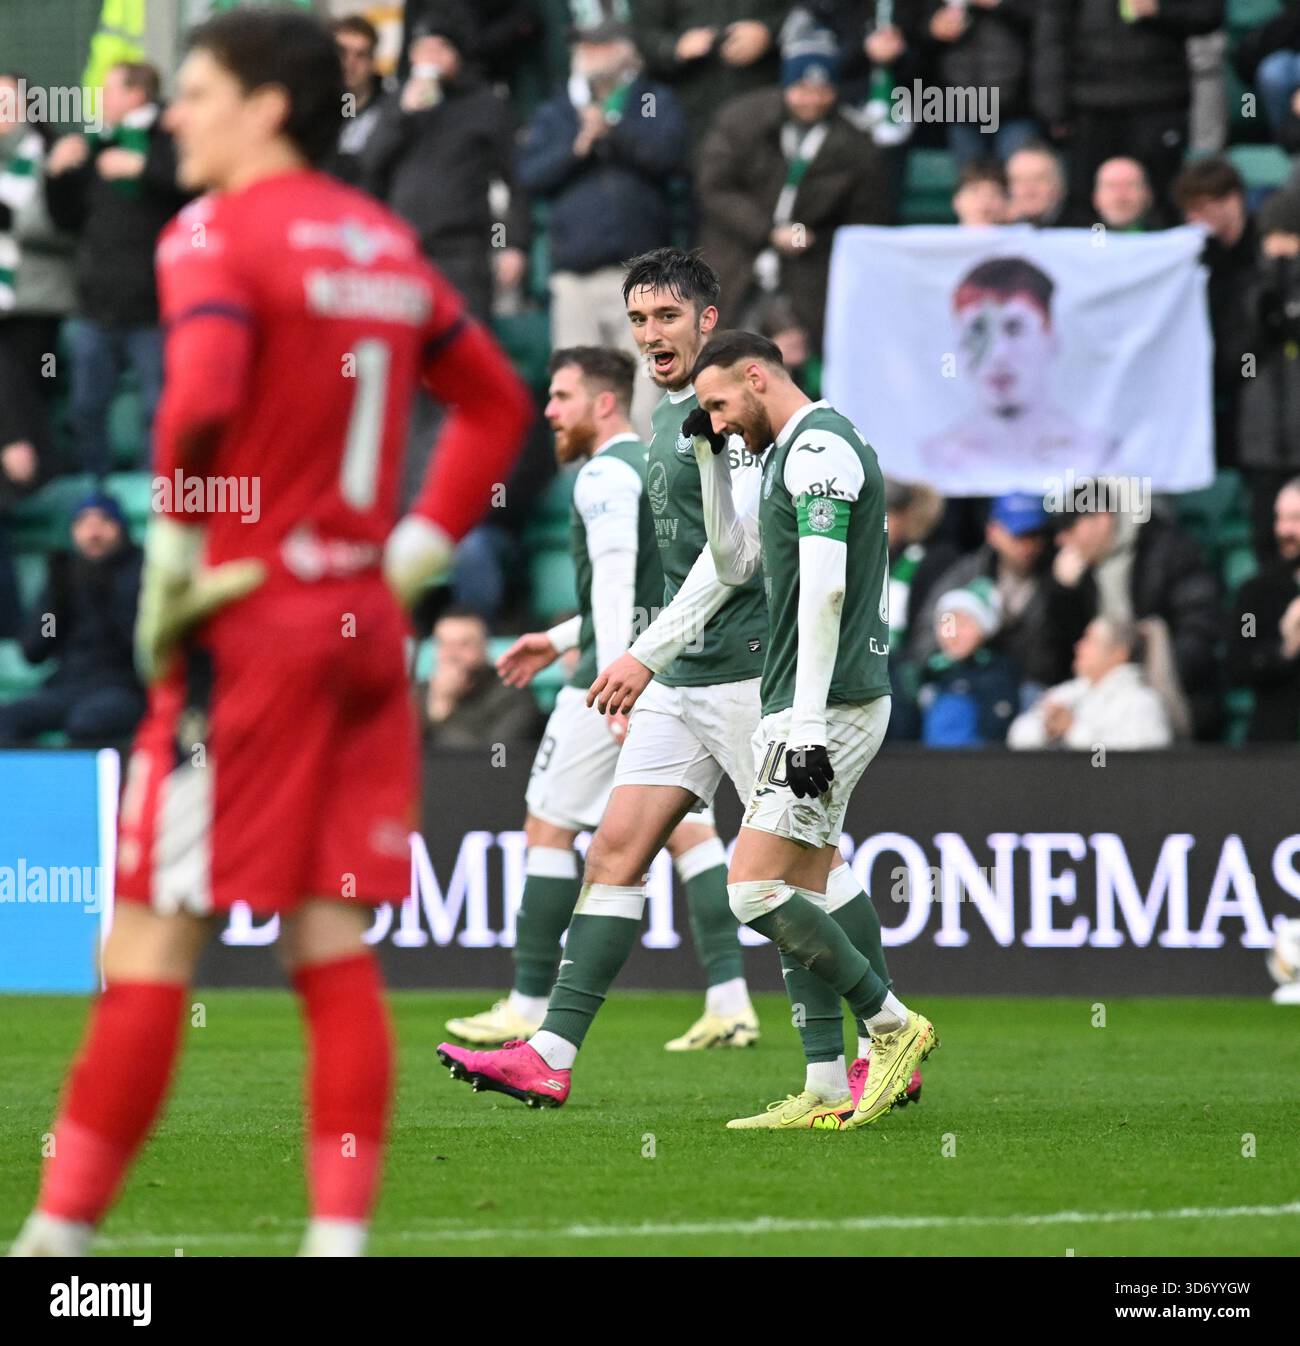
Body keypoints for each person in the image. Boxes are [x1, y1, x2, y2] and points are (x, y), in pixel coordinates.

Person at [10, 8, 530, 1260]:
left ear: (266, 106)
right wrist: (410, 554)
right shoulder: (387, 243)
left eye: (196, 92)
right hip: (359, 631)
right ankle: (337, 1243)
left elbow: (195, 402)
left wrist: (178, 553)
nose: (175, 114)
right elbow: (497, 402)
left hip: (245, 631)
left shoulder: (211, 233)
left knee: (145, 930)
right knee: (331, 936)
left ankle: (57, 1244)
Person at [437, 249, 919, 1127]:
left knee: (792, 875)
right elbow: (714, 557)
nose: (652, 335)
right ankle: (550, 1053)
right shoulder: (684, 420)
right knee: (616, 845)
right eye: (639, 321)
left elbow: (751, 570)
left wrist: (645, 650)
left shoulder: (752, 418)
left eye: (667, 318)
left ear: (710, 322)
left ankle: (852, 1057)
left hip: (750, 670)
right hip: (679, 673)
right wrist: (612, 646)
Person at [445, 346, 757, 1052]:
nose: (549, 412)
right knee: (684, 830)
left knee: (550, 826)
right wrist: (557, 639)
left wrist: (616, 686)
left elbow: (619, 588)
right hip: (655, 667)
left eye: (560, 397)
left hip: (614, 682)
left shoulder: (602, 479)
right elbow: (645, 589)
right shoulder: (645, 469)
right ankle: (731, 999)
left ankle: (528, 1004)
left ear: (604, 402)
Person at [677, 328, 937, 1129]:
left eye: (719, 406)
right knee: (806, 884)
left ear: (758, 377)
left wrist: (810, 726)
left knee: (753, 889)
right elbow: (734, 564)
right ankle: (826, 1082)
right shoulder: (786, 451)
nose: (718, 422)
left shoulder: (821, 449)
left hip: (828, 704)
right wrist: (709, 464)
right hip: (799, 700)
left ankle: (892, 1026)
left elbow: (824, 594)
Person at [515, 19, 686, 431]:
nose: (591, 54)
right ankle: (583, 489)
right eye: (585, 46)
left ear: (625, 49)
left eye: (602, 45)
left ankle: (647, 488)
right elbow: (530, 175)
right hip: (575, 275)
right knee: (579, 395)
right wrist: (578, 147)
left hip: (642, 276)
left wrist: (613, 134)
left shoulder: (650, 100)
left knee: (647, 396)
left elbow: (668, 156)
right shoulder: (558, 110)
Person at [694, 23, 887, 355]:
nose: (812, 99)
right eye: (802, 88)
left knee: (792, 362)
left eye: (822, 89)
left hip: (806, 275)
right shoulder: (743, 119)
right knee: (720, 356)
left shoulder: (855, 144)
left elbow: (866, 220)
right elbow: (714, 188)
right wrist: (768, 231)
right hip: (735, 261)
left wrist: (811, 238)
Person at [44, 61, 189, 477]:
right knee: (86, 407)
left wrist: (142, 168)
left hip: (155, 307)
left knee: (156, 410)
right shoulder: (95, 146)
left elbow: (193, 187)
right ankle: (96, 499)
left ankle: (154, 495)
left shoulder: (170, 139)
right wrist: (58, 175)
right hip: (95, 307)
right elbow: (66, 219)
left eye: (110, 91)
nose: (101, 101)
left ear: (137, 95)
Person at [362, 13, 527, 322]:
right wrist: (403, 115)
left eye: (440, 49)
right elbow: (370, 164)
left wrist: (511, 245)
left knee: (466, 343)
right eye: (422, 50)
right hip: (403, 250)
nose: (430, 59)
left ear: (458, 55)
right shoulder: (396, 103)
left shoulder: (486, 104)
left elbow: (515, 179)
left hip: (463, 253)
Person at [918, 256, 1121, 491]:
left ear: (1050, 335)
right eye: (978, 332)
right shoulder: (932, 463)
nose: (997, 354)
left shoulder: (1100, 456)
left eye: (1014, 328)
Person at [1048, 495, 1221, 740]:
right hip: (1100, 689)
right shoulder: (1076, 570)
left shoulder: (1166, 549)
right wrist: (1063, 593)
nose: (1061, 540)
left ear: (1102, 519)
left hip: (1167, 688)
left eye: (1069, 528)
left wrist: (1160, 672)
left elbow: (1200, 626)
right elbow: (1059, 653)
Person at [1032, 0, 1224, 216]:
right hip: (1090, 105)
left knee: (1161, 205)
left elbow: (1210, 14)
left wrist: (1160, 9)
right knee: (1088, 211)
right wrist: (1052, 109)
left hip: (1158, 102)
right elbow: (1052, 33)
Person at [0, 492, 144, 747]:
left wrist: (109, 596)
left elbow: (142, 646)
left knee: (88, 723)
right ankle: (34, 782)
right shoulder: (65, 576)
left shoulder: (139, 571)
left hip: (120, 685)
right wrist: (52, 607)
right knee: (7, 720)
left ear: (120, 529)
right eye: (84, 524)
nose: (93, 532)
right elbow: (34, 649)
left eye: (103, 523)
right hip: (67, 684)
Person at [910, 492, 1074, 688]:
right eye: (1018, 535)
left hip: (1031, 688)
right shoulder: (968, 573)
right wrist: (952, 649)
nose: (1028, 545)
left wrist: (1062, 592)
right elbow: (931, 628)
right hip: (964, 681)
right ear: (993, 532)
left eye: (1035, 535)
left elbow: (1057, 656)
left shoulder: (1057, 578)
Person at [0, 71, 74, 472]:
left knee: (30, 388)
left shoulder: (53, 155)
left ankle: (33, 467)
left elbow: (70, 229)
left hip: (38, 302)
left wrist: (12, 221)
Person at [1175, 156, 1255, 470]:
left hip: (1256, 373)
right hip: (1211, 376)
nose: (1195, 219)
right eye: (1190, 211)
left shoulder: (1266, 246)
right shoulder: (1193, 255)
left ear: (1233, 201)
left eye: (1202, 208)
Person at [1238, 187, 1300, 560]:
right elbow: (1239, 354)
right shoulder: (1250, 285)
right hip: (1263, 444)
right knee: (1270, 543)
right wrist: (1272, 287)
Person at [631, 1, 787, 146]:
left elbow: (802, 13)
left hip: (763, 98)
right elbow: (642, 33)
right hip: (692, 106)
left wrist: (768, 32)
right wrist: (675, 47)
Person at [1008, 616, 1172, 750]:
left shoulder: (1141, 703)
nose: (1078, 647)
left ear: (1119, 653)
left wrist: (1072, 730)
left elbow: (1133, 766)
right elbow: (1016, 739)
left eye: (1090, 640)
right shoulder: (1067, 693)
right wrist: (1045, 729)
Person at [1226, 476, 1300, 742]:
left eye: (1295, 519)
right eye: (1280, 519)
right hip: (1276, 745)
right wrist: (1286, 647)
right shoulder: (1256, 594)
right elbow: (1239, 664)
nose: (1284, 530)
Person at [922, 0, 1038, 168]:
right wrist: (932, 28)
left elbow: (1047, 22)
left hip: (1017, 108)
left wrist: (1000, 4)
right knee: (971, 183)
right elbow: (916, 28)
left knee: (1018, 181)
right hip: (961, 108)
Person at [917, 579, 1019, 747]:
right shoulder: (927, 672)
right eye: (948, 624)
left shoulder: (998, 672)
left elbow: (997, 729)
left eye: (964, 624)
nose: (954, 634)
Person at [423, 606, 541, 746]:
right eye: (443, 644)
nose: (451, 655)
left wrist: (443, 709)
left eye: (464, 644)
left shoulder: (513, 693)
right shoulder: (420, 693)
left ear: (485, 647)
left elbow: (496, 759)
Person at [328, 15, 388, 187]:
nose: (350, 63)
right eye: (342, 52)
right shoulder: (313, 105)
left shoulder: (390, 111)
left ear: (372, 62)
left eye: (360, 55)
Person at [1088, 155, 1158, 232]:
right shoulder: (1081, 240)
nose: (1120, 195)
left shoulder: (1164, 238)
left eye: (1130, 185)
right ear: (1096, 197)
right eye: (1111, 186)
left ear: (1148, 195)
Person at [1004, 143, 1068, 227]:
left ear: (1059, 187)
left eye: (1039, 179)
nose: (1028, 190)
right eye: (1019, 181)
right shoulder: (996, 228)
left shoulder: (1083, 229)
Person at [952, 158, 1009, 226]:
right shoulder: (939, 235)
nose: (984, 203)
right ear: (957, 200)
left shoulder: (1022, 234)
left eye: (993, 195)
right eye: (975, 192)